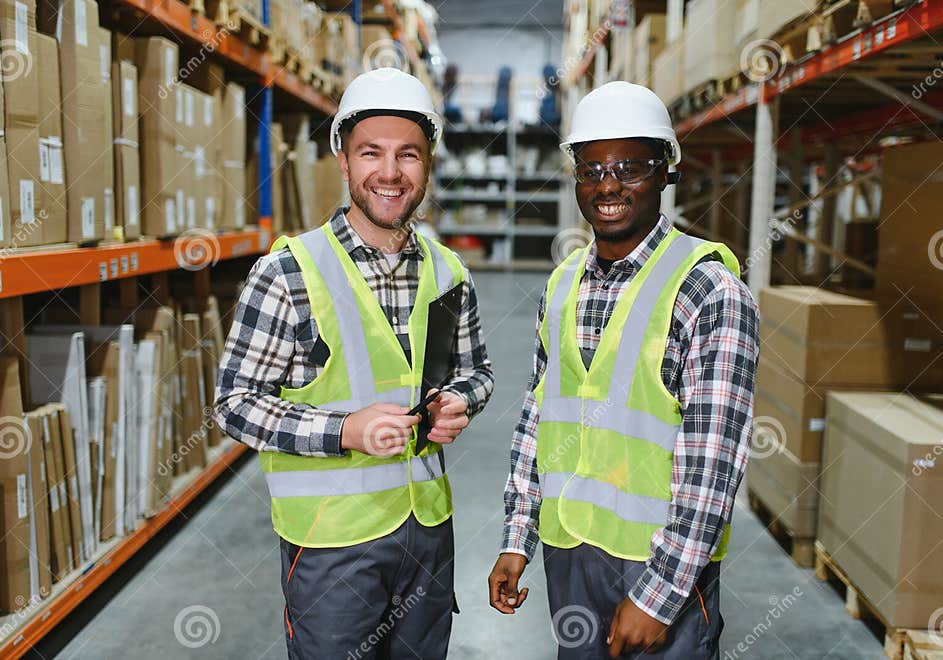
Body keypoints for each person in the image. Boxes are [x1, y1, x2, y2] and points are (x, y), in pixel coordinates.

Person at [214, 68, 495, 659]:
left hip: (427, 535)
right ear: (343, 159)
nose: (390, 174)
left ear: (428, 163)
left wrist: (459, 401)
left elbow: (477, 372)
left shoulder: (449, 271)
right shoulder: (289, 273)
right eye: (372, 153)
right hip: (331, 545)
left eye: (408, 155)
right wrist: (344, 430)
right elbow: (235, 405)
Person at [487, 81, 759, 659]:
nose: (607, 185)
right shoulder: (562, 286)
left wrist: (659, 596)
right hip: (571, 557)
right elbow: (539, 419)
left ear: (666, 172)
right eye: (591, 169)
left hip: (660, 569)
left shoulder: (708, 289)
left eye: (629, 167)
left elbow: (713, 464)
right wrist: (518, 537)